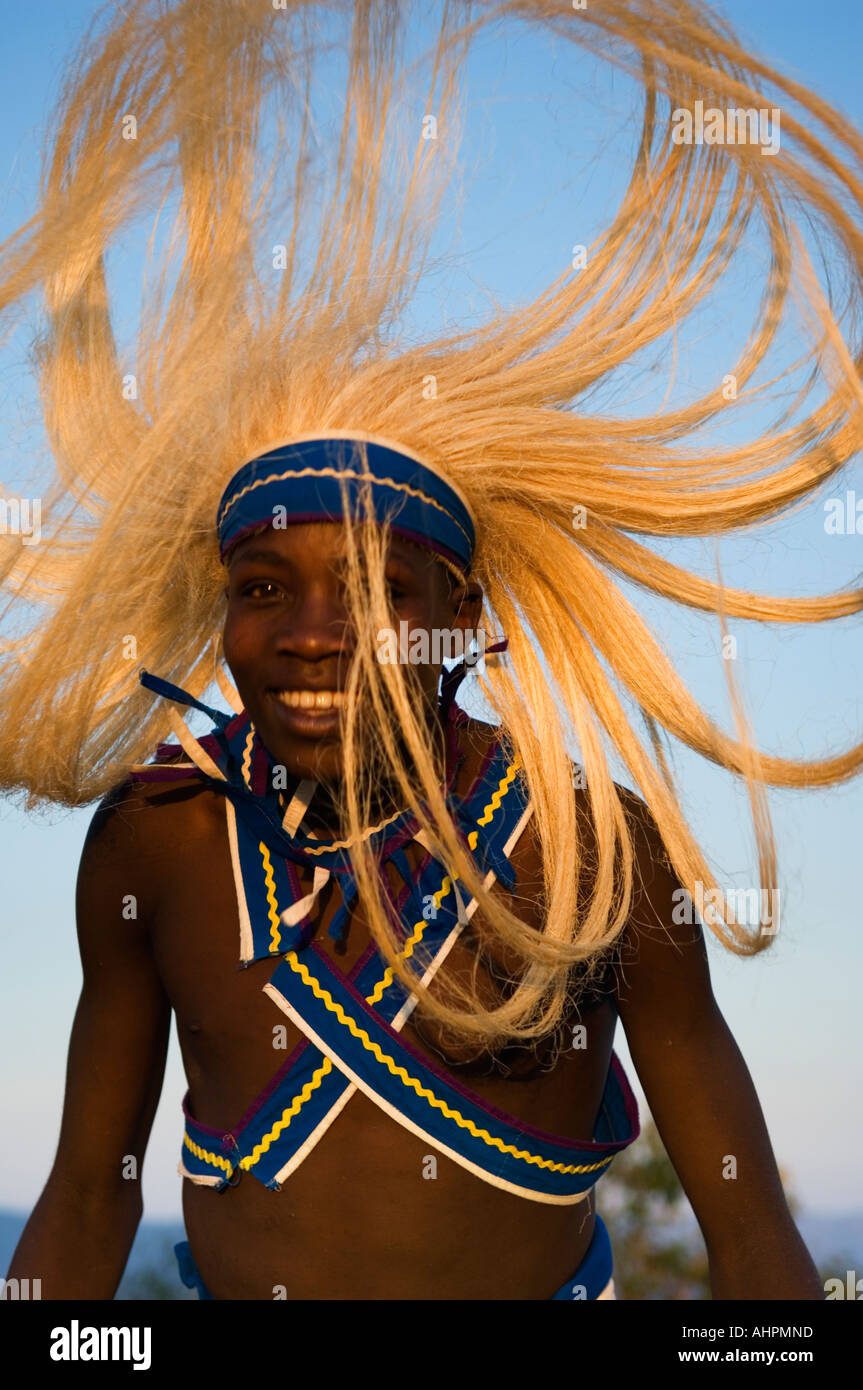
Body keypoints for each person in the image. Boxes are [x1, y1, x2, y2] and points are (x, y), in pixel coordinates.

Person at [2, 0, 860, 1300]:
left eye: (371, 590)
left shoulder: (588, 857)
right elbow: (84, 1193)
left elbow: (749, 1241)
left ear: (461, 620)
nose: (304, 631)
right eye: (262, 583)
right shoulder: (159, 839)